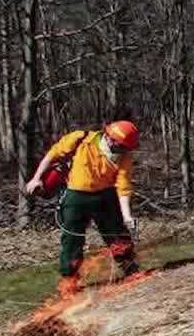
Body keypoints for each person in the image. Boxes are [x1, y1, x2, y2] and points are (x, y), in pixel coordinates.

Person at [24, 119, 141, 294]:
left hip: (106, 196)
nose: (124, 151)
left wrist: (127, 215)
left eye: (127, 148)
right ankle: (69, 280)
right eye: (122, 146)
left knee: (117, 234)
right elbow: (52, 154)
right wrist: (36, 178)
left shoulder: (125, 156)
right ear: (110, 138)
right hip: (76, 196)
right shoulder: (80, 139)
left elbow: (123, 185)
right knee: (72, 239)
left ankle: (131, 269)